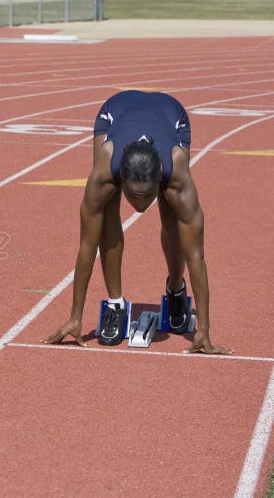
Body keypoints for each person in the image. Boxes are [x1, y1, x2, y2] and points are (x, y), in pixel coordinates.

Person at [42, 90, 231, 354]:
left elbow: (196, 256)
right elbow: (87, 247)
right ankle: (116, 304)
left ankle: (176, 289)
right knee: (106, 212)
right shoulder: (104, 174)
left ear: (159, 181)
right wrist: (76, 316)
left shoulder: (176, 175)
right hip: (115, 112)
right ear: (121, 179)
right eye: (132, 195)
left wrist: (204, 331)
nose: (139, 205)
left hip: (171, 115)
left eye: (147, 195)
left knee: (173, 218)